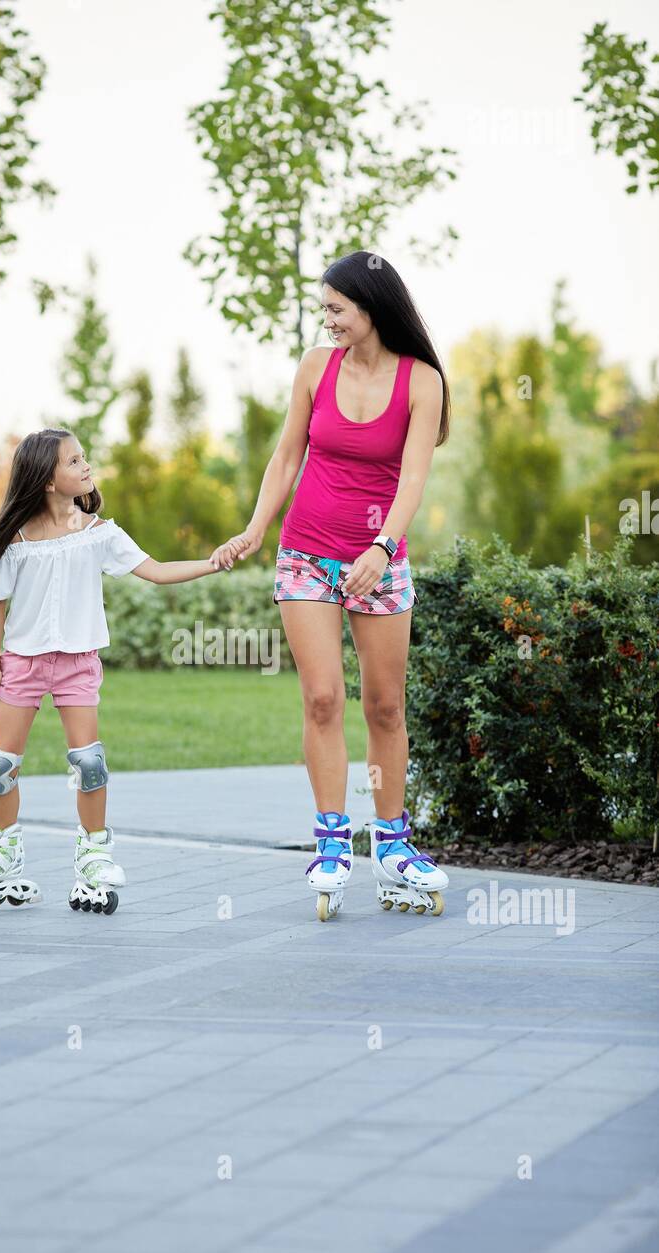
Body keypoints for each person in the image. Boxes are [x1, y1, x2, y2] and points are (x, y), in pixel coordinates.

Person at [211, 252, 451, 919]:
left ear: (372, 306)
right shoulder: (316, 367)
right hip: (307, 553)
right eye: (325, 310)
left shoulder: (421, 381)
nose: (329, 320)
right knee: (321, 699)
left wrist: (382, 545)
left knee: (384, 707)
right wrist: (258, 527)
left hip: (378, 560)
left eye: (337, 309)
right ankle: (331, 841)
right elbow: (287, 454)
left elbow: (412, 481)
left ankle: (395, 844)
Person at [0, 427, 222, 911]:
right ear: (47, 481)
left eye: (84, 457)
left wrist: (213, 562)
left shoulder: (99, 535)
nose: (86, 466)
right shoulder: (17, 539)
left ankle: (93, 853)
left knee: (89, 763)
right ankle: (2, 848)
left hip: (77, 664)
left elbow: (154, 570)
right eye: (73, 461)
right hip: (23, 663)